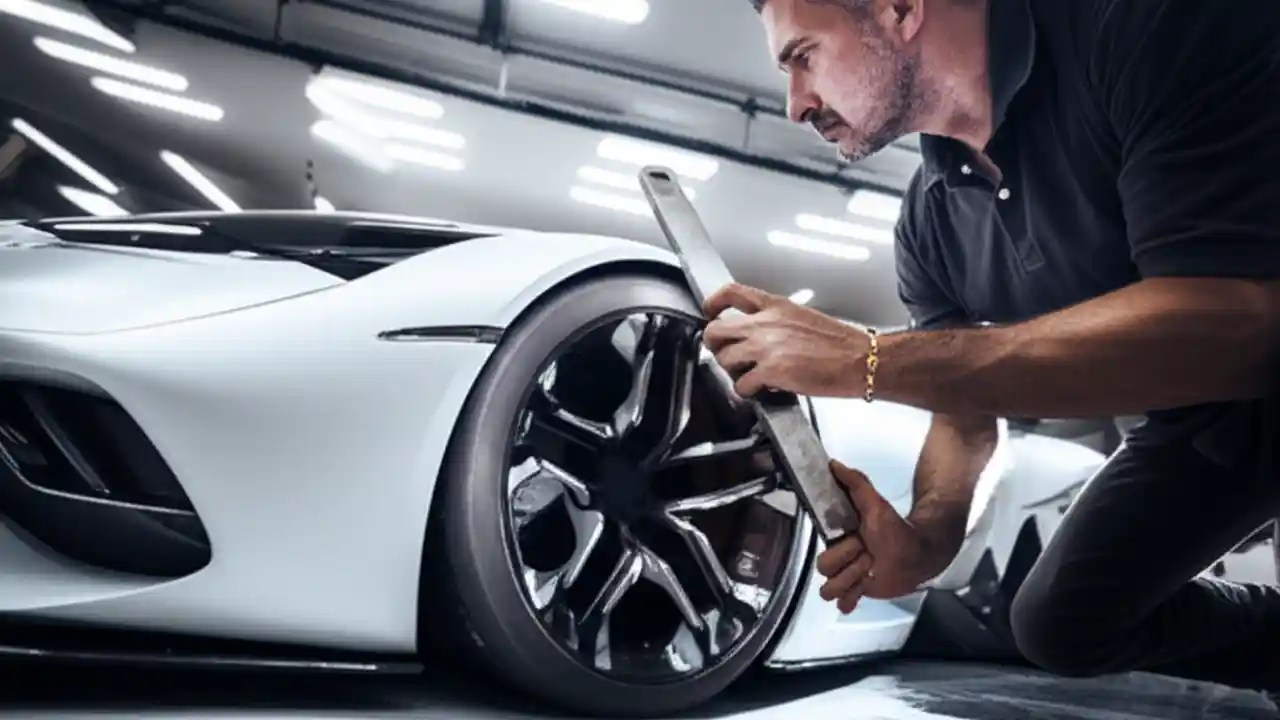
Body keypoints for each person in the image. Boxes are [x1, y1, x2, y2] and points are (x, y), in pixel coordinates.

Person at [710, 0, 1280, 693]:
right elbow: (963, 414)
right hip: (1206, 423)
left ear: (900, 9)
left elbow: (1235, 325)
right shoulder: (929, 228)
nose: (795, 105)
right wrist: (926, 540)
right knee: (1061, 621)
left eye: (804, 57)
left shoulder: (1141, 26)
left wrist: (867, 359)